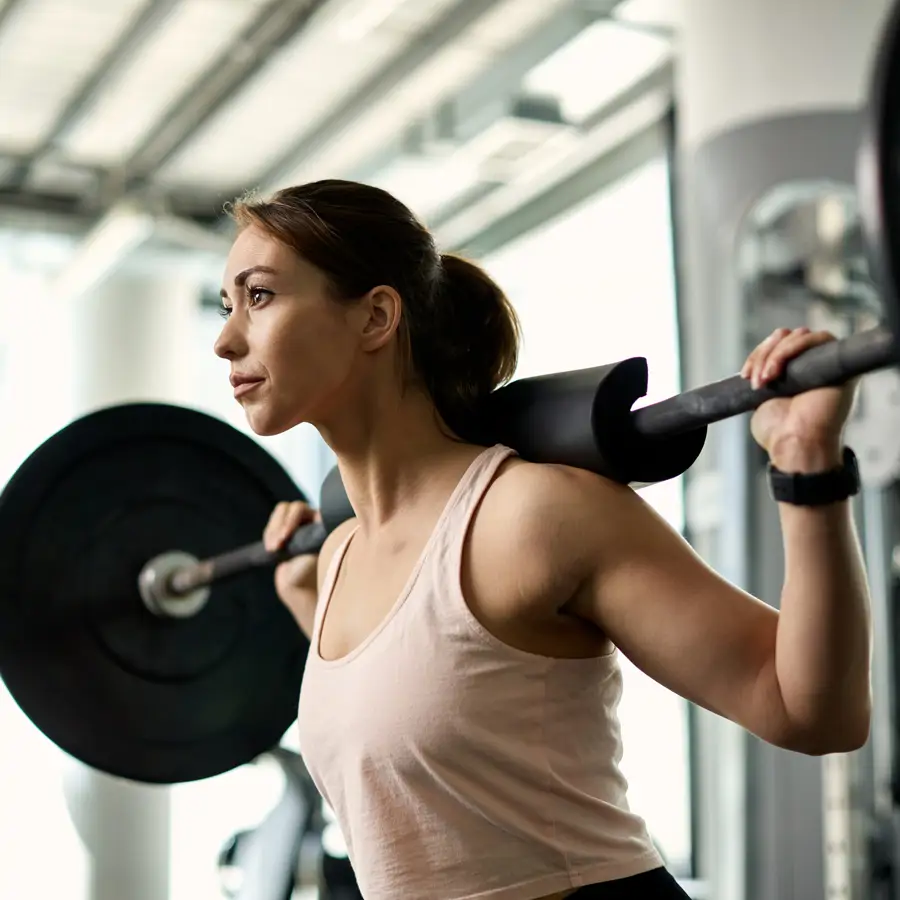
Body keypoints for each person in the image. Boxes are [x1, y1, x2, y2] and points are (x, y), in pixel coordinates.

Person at [214, 179, 872, 900]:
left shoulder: (533, 516)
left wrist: (806, 464)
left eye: (260, 296)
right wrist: (306, 604)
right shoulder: (339, 557)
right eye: (226, 306)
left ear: (375, 316)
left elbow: (809, 709)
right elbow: (426, 720)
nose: (226, 339)